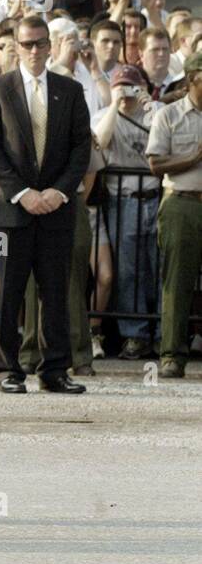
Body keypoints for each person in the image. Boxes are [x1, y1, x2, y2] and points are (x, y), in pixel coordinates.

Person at [0, 15, 91, 394]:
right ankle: (7, 369)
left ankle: (55, 370)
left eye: (40, 43)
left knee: (55, 292)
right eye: (26, 44)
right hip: (10, 213)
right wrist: (22, 193)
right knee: (6, 293)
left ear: (50, 45)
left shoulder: (70, 90)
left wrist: (58, 192)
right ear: (15, 45)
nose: (33, 50)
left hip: (56, 211)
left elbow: (81, 148)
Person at [94, 65, 161, 359]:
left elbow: (165, 141)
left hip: (156, 196)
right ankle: (134, 334)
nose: (126, 93)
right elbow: (101, 140)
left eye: (130, 87)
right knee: (127, 271)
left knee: (158, 268)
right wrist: (113, 104)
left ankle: (161, 332)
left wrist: (149, 106)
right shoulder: (105, 113)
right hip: (123, 199)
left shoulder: (156, 111)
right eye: (119, 86)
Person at [146, 52, 202, 378]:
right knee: (176, 280)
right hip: (181, 201)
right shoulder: (169, 115)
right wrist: (194, 157)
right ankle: (171, 356)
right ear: (193, 78)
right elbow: (155, 164)